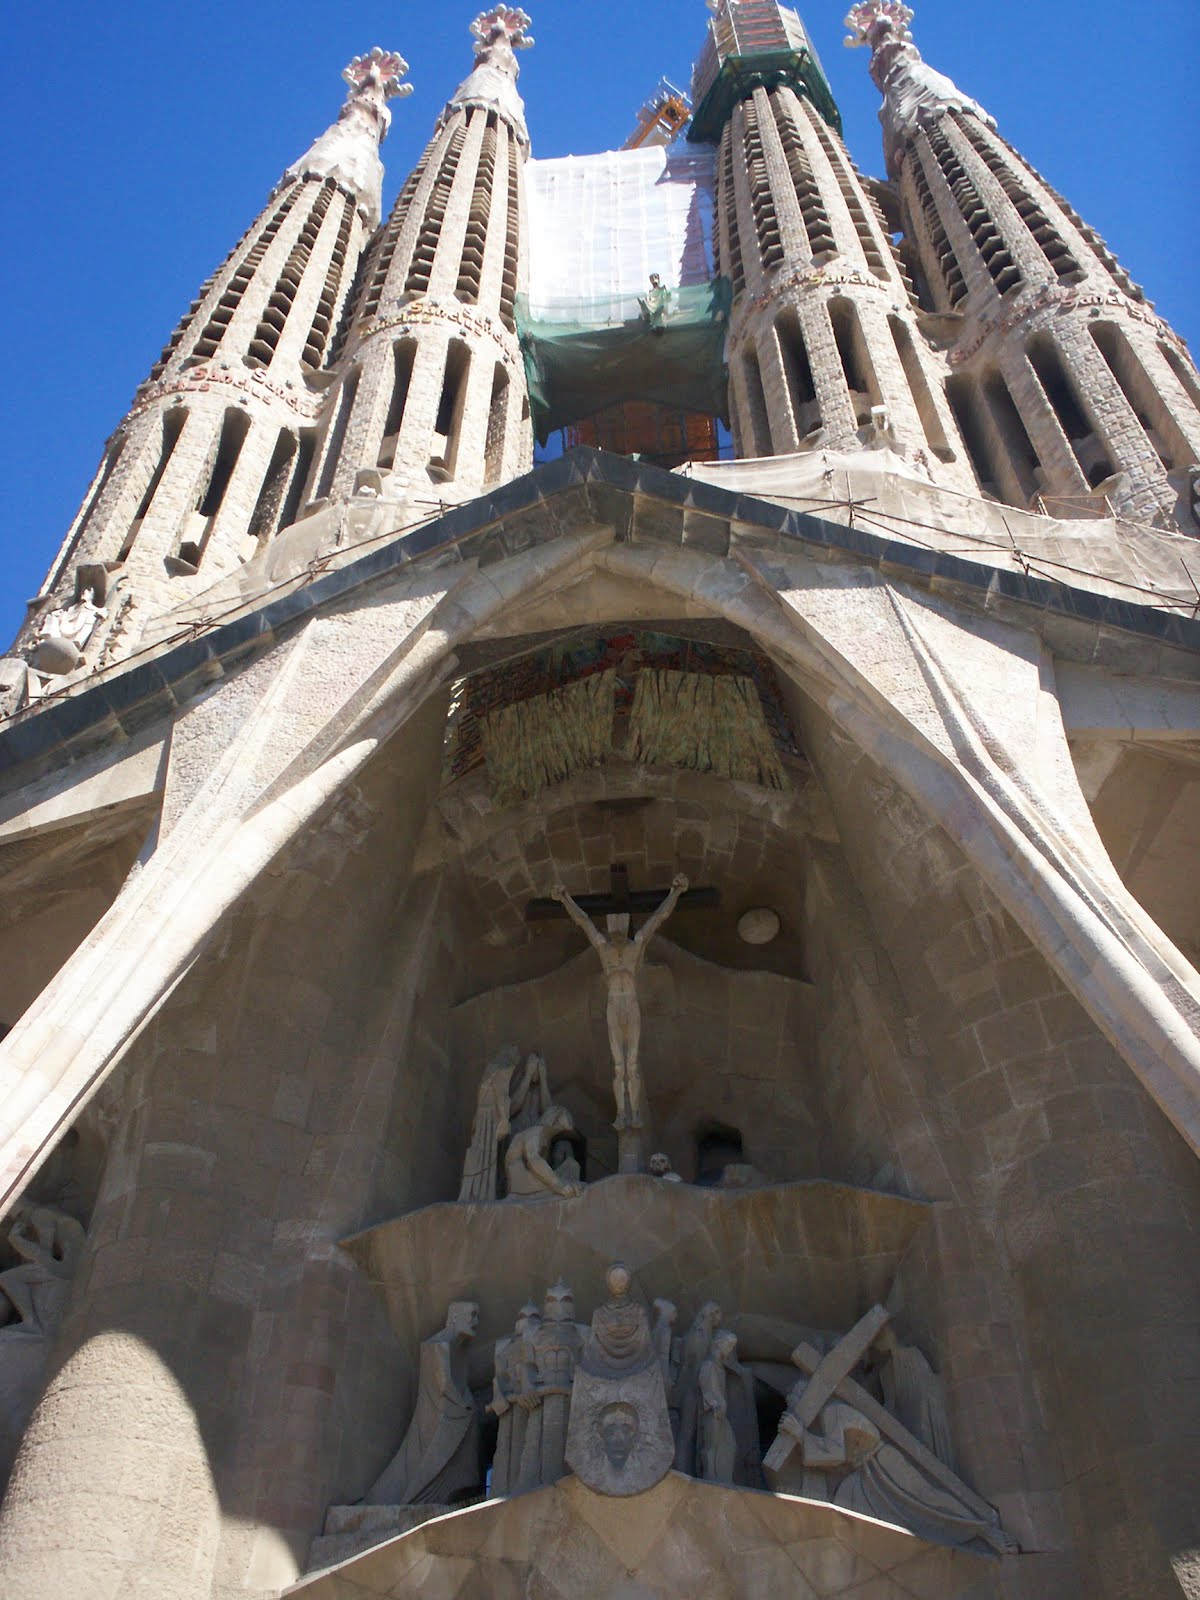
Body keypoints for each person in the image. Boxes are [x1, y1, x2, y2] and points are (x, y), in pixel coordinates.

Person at [551, 875, 688, 1129]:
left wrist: (675, 893)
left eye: (619, 927)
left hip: (630, 1004)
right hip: (614, 1005)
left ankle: (634, 1113)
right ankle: (622, 1114)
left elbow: (658, 918)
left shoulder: (635, 947)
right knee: (619, 1066)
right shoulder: (603, 949)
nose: (615, 931)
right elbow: (583, 921)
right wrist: (564, 898)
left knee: (632, 1063)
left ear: (625, 927)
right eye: (613, 927)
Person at [504, 1106, 585, 1200]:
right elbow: (533, 1160)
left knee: (572, 1166)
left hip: (532, 1178)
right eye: (559, 1128)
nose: (559, 1131)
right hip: (519, 1179)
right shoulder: (534, 1133)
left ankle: (568, 1186)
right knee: (567, 1180)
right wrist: (559, 1185)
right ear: (553, 1122)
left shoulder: (546, 1139)